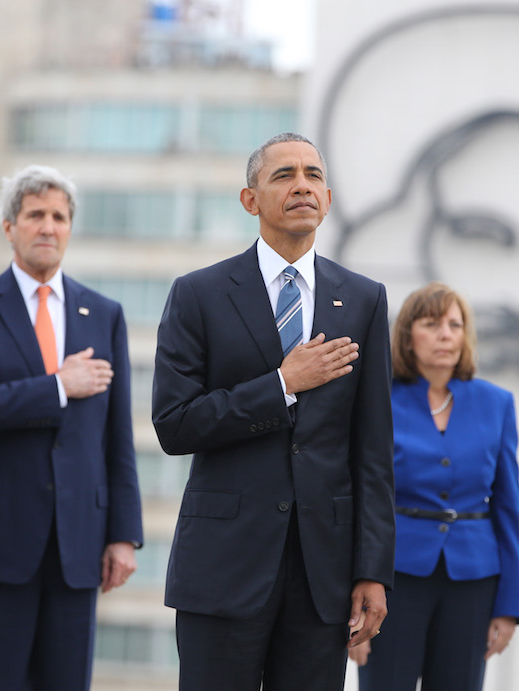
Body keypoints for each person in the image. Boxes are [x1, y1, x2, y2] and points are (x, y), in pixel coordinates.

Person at [152, 132, 395, 691]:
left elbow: (374, 451)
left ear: (329, 200)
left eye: (313, 175)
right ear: (250, 199)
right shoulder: (199, 293)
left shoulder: (363, 299)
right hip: (224, 565)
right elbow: (174, 423)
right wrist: (283, 384)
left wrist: (372, 569)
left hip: (322, 573)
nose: (302, 186)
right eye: (283, 175)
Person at [0, 165, 143, 690]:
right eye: (35, 215)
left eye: (59, 217)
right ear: (10, 226)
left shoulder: (106, 314)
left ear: (69, 227)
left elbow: (117, 436)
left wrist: (123, 535)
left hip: (78, 546)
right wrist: (57, 386)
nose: (48, 227)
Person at [350, 282, 519, 690]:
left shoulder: (495, 403)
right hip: (392, 576)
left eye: (455, 324)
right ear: (407, 337)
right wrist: (351, 599)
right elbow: (358, 498)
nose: (446, 334)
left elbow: (509, 507)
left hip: (474, 579)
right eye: (431, 324)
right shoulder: (376, 399)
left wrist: (509, 606)